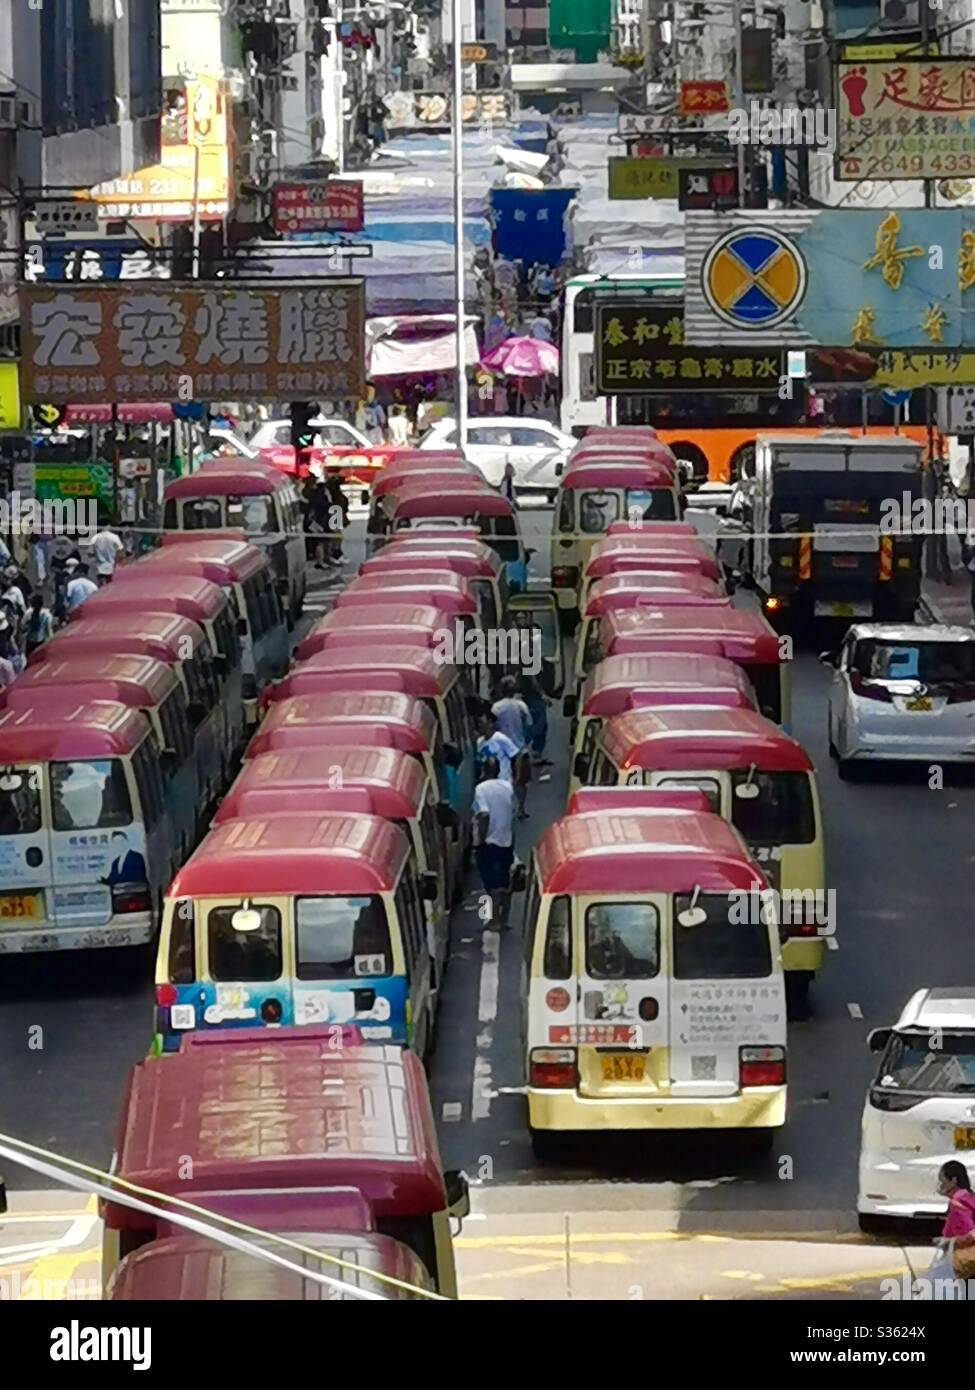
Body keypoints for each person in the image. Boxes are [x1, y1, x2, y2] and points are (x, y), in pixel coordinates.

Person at [472, 756, 516, 930]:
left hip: (490, 842)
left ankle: (492, 919)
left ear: (484, 771)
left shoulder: (481, 789)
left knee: (490, 885)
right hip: (507, 839)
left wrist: (480, 840)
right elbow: (512, 810)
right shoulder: (507, 787)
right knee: (505, 882)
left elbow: (483, 814)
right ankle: (503, 918)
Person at [492, 676, 532, 818]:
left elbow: (493, 726)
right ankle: (521, 808)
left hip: (502, 751)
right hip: (521, 749)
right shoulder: (521, 706)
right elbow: (529, 724)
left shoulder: (496, 708)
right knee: (521, 782)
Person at [938, 1161, 975, 1285]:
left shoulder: (958, 1203)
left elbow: (971, 1234)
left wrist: (948, 1242)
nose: (939, 1184)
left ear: (953, 1180)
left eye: (942, 1180)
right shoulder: (968, 1196)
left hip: (967, 1264)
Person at [477, 709, 520, 783]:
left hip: (503, 781)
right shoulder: (479, 742)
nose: (479, 725)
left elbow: (515, 756)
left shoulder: (500, 738)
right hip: (487, 783)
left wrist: (516, 778)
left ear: (490, 723)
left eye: (481, 722)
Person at [323, 468, 349, 567]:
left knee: (337, 535)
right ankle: (335, 553)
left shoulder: (333, 490)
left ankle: (336, 553)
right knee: (335, 535)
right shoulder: (332, 491)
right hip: (334, 513)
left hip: (336, 512)